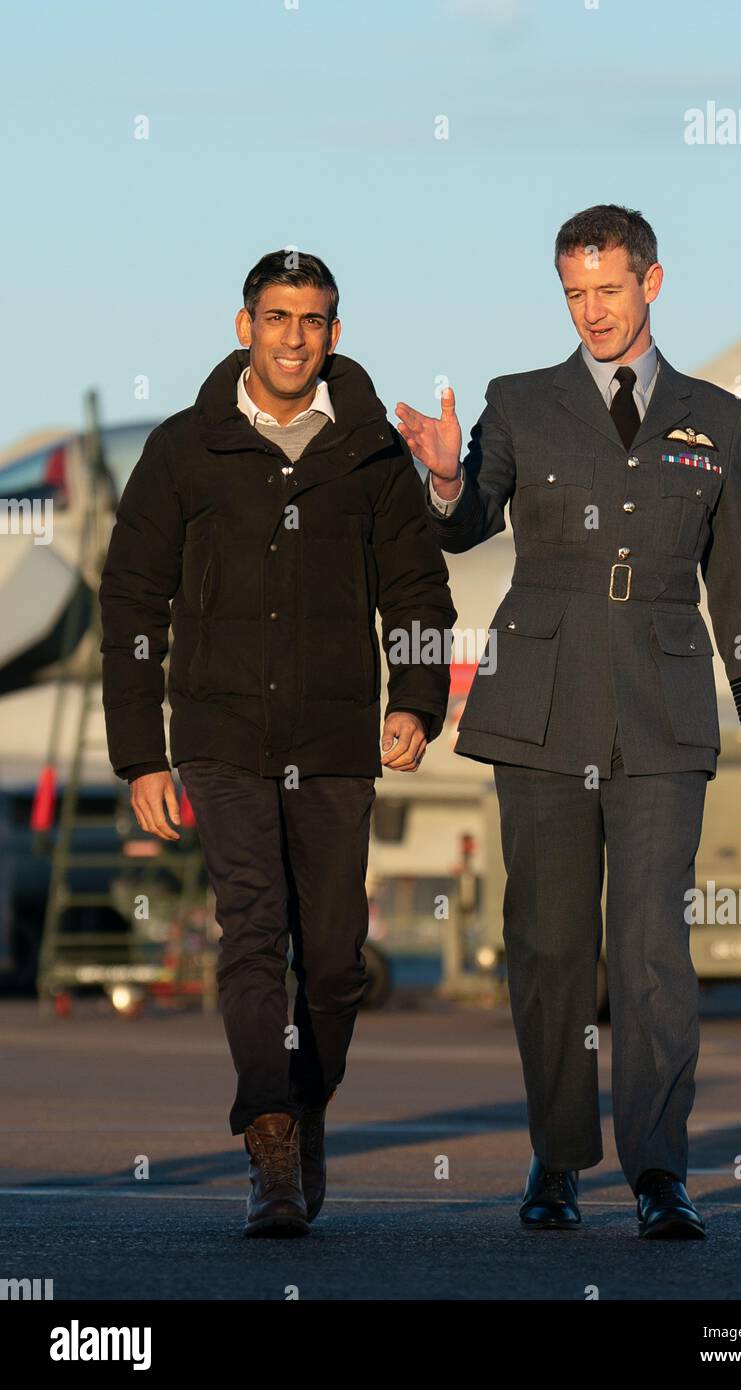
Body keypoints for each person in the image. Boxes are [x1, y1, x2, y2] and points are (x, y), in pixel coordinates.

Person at [395, 205, 741, 1238]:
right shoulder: (520, 404)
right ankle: (559, 1157)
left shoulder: (715, 415)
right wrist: (443, 476)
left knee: (654, 948)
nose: (592, 312)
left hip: (662, 716)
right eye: (574, 294)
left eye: (608, 290)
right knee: (549, 946)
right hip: (539, 708)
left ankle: (660, 1172)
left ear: (651, 283)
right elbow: (466, 521)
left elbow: (739, 585)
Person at [99, 250, 457, 1237]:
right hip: (219, 735)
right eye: (276, 316)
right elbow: (133, 600)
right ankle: (267, 1134)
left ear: (334, 333)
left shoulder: (375, 452)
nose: (294, 336)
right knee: (252, 928)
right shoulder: (184, 449)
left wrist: (417, 698)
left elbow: (418, 593)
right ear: (243, 325)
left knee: (335, 958)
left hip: (338, 740)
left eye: (313, 319)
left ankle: (303, 1109)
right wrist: (141, 755)